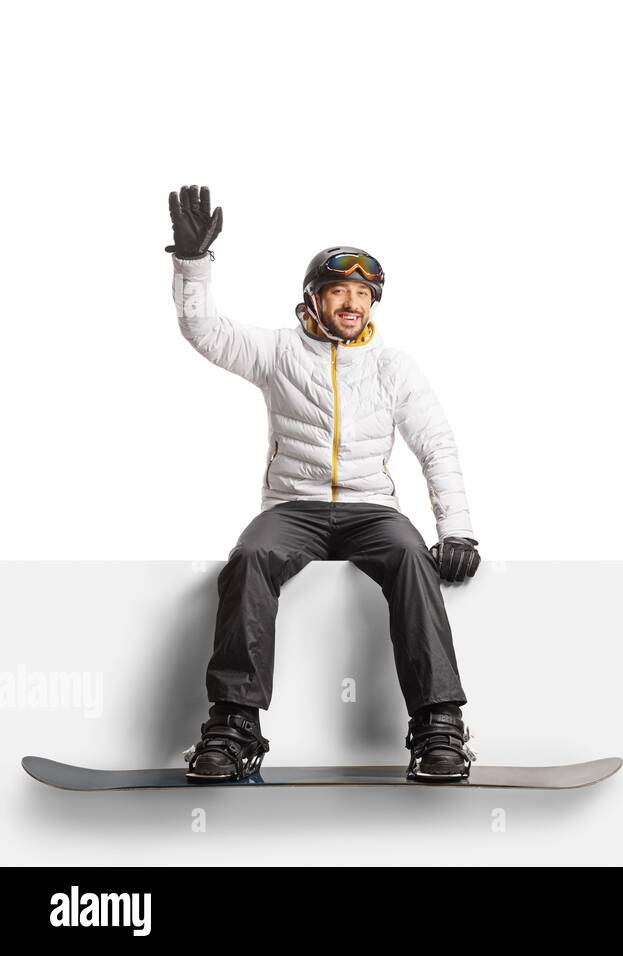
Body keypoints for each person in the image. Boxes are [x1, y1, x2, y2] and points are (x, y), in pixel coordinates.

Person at [167, 184, 482, 783]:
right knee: (250, 558)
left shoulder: (393, 367)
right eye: (339, 290)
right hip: (294, 507)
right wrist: (192, 264)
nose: (352, 302)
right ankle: (233, 727)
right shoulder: (277, 352)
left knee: (412, 557)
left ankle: (439, 725)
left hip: (372, 511)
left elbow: (436, 445)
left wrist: (458, 531)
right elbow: (203, 330)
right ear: (313, 298)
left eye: (363, 293)